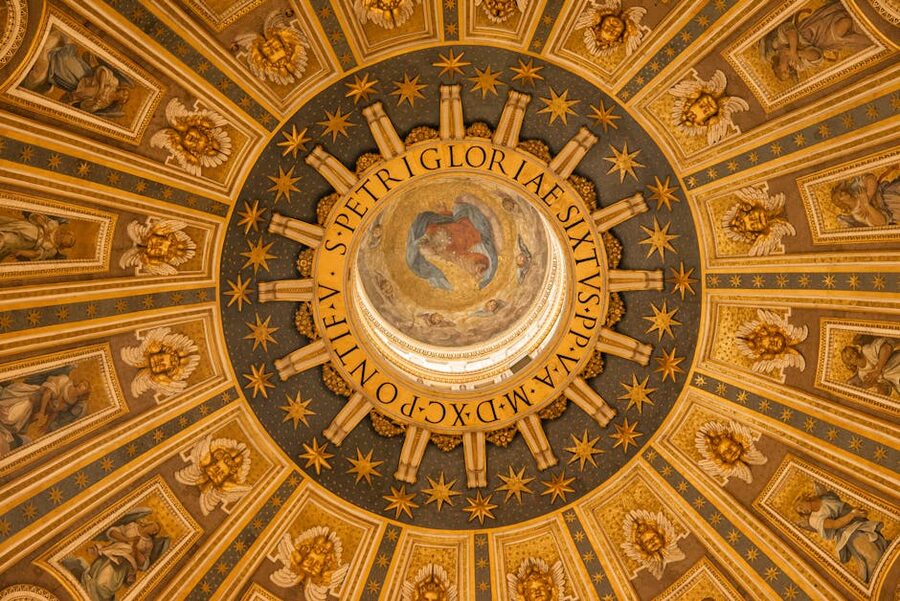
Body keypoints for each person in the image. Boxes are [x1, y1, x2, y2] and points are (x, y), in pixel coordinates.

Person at [63, 509, 169, 601]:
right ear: (148, 524)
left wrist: (135, 549)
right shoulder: (133, 526)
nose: (154, 530)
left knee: (103, 584)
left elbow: (145, 564)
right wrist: (128, 539)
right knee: (93, 576)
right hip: (111, 553)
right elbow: (113, 532)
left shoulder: (149, 543)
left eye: (156, 531)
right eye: (154, 527)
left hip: (124, 565)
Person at [794, 486, 889, 583]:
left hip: (858, 521)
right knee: (872, 555)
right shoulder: (813, 520)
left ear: (805, 499)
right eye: (800, 511)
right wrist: (853, 514)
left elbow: (844, 506)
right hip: (847, 532)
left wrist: (858, 511)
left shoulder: (825, 497)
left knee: (879, 546)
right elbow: (835, 524)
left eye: (801, 507)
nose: (802, 511)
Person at [762, 1, 871, 82]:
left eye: (784, 71)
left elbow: (791, 32)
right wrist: (798, 54)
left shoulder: (777, 45)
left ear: (778, 67)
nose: (789, 71)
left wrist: (793, 51)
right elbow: (817, 56)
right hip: (823, 41)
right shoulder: (797, 65)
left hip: (812, 28)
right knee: (845, 25)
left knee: (844, 20)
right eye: (788, 73)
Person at [830, 169, 900, 228]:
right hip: (892, 208)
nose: (843, 192)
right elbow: (881, 223)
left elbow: (871, 178)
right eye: (841, 195)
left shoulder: (854, 190)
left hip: (886, 191)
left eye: (841, 191)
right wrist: (866, 205)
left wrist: (868, 196)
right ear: (841, 203)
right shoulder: (858, 214)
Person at [0, 212, 75, 262]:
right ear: (66, 233)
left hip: (25, 243)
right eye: (69, 239)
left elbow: (36, 254)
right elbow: (36, 217)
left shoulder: (52, 250)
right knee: (25, 228)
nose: (64, 239)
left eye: (67, 243)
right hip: (26, 227)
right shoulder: (54, 224)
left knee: (5, 239)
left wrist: (22, 252)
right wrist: (44, 225)